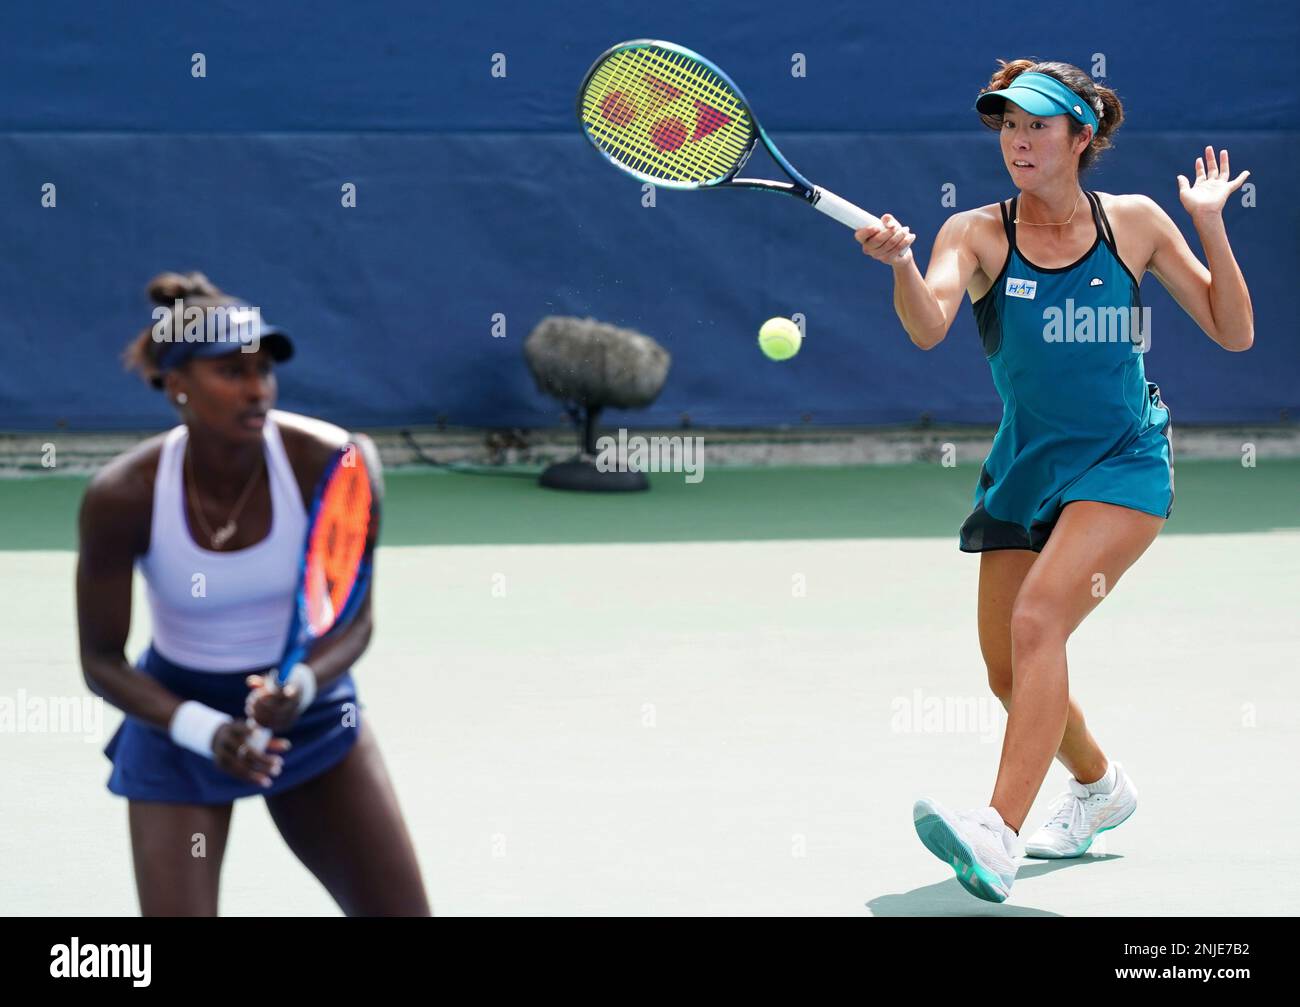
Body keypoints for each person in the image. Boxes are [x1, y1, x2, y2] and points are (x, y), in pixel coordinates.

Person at [853, 61, 1253, 902]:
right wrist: (899, 262)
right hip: (1025, 472)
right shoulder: (974, 231)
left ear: (1082, 136)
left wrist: (1209, 224)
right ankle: (1100, 787)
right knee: (1010, 673)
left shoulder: (1136, 224)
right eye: (1007, 127)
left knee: (1040, 618)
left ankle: (996, 831)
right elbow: (929, 324)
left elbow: (1233, 329)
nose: (1019, 141)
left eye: (1037, 126)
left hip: (1124, 462)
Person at [76, 271, 430, 916]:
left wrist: (299, 688)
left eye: (264, 370)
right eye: (231, 373)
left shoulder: (334, 464)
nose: (256, 389)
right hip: (175, 718)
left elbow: (355, 623)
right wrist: (205, 730)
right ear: (176, 382)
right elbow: (101, 662)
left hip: (309, 712)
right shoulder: (121, 495)